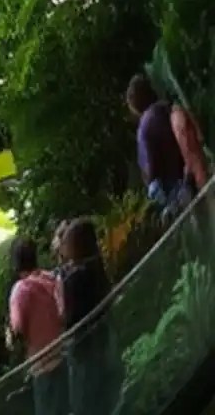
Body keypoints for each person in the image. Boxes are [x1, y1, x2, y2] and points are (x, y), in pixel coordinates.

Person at [59, 218, 122, 414]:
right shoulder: (97, 267)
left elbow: (68, 317)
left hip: (83, 349)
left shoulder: (75, 278)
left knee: (85, 400)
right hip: (103, 341)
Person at [8, 237, 69, 414]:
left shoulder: (20, 290)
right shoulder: (53, 279)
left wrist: (9, 337)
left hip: (42, 365)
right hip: (63, 356)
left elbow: (18, 330)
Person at [126, 75, 191, 214]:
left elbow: (150, 166)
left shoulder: (144, 127)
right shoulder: (169, 108)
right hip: (190, 174)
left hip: (175, 192)